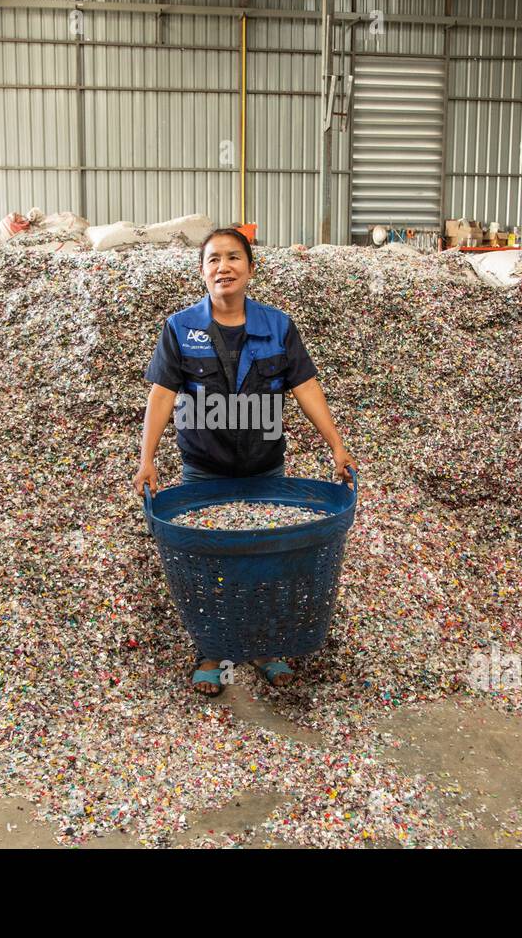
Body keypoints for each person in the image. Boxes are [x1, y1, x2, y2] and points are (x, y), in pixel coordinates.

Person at [133, 228, 357, 696]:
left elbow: (305, 387)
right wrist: (147, 458)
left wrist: (336, 444)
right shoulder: (179, 328)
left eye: (234, 257)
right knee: (211, 567)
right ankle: (213, 651)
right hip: (203, 472)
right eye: (213, 259)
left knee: (267, 563)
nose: (224, 267)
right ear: (202, 272)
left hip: (264, 471)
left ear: (251, 269)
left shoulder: (277, 326)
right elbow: (162, 394)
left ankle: (267, 646)